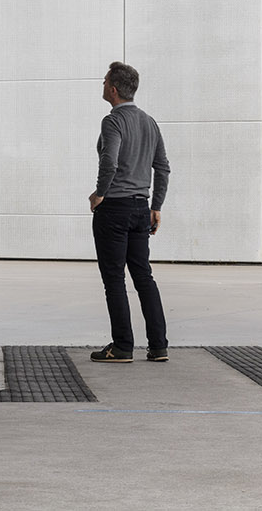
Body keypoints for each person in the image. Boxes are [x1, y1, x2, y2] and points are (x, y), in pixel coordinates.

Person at [88, 60, 171, 364]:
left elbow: (109, 162)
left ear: (113, 88)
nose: (102, 85)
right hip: (140, 209)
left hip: (115, 210)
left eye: (104, 80)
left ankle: (122, 346)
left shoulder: (113, 121)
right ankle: (159, 345)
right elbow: (162, 167)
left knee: (114, 279)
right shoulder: (149, 122)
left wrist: (100, 194)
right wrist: (156, 206)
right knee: (143, 276)